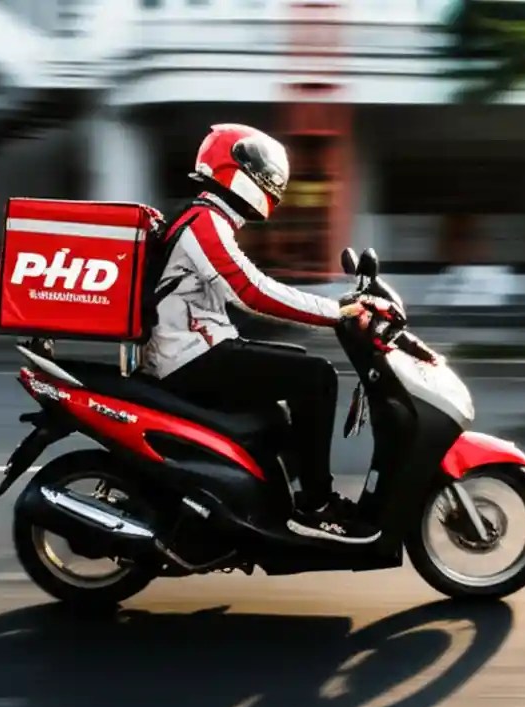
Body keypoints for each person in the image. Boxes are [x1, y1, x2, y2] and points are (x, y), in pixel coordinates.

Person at [141, 123, 379, 544]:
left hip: (197, 349)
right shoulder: (204, 221)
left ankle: (276, 501)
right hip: (187, 359)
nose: (271, 182)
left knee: (294, 374)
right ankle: (315, 505)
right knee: (317, 377)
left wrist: (336, 306)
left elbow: (245, 291)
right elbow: (252, 292)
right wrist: (336, 313)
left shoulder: (211, 219)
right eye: (262, 171)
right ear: (234, 167)